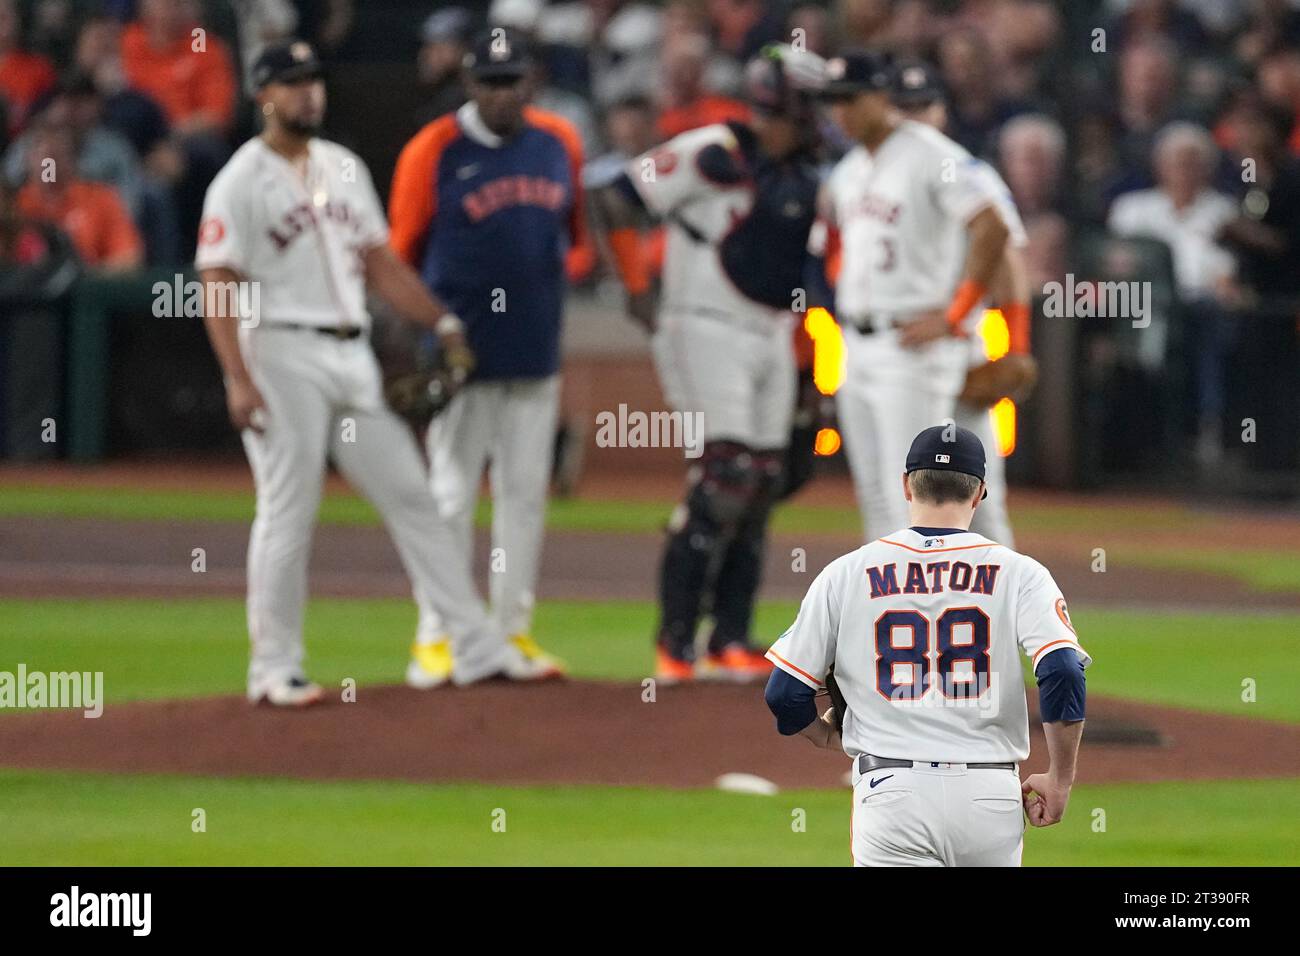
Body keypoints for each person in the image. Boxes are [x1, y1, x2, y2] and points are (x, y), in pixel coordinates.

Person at [197, 40, 555, 706]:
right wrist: (237, 378)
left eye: (313, 80)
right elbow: (216, 279)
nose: (308, 93)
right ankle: (274, 667)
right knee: (287, 510)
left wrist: (442, 323)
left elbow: (380, 263)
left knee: (415, 499)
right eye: (292, 82)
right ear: (263, 96)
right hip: (280, 351)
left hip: (349, 355)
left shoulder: (342, 167)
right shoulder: (240, 180)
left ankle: (474, 647)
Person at [595, 44, 825, 683]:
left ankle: (729, 636)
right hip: (703, 322)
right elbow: (616, 198)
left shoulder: (811, 174)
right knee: (724, 477)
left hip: (772, 330)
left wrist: (810, 370)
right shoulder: (714, 151)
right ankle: (675, 641)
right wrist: (637, 285)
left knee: (762, 484)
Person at [763, 424, 1090, 867]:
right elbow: (1064, 672)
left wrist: (825, 737)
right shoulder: (1021, 573)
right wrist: (1061, 778)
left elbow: (784, 693)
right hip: (989, 799)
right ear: (979, 493)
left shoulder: (845, 573)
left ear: (906, 485)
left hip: (892, 794)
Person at [388, 30, 585, 687]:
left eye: (513, 80)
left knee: (524, 496)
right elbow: (400, 250)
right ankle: (436, 636)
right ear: (468, 84)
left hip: (535, 346)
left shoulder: (559, 141)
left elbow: (576, 237)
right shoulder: (433, 149)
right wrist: (428, 331)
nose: (503, 93)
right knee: (448, 497)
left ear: (529, 81)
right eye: (490, 82)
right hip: (461, 353)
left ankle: (509, 631)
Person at [815, 50, 1012, 544]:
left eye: (851, 100)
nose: (841, 113)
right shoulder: (849, 169)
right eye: (833, 102)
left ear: (882, 98)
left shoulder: (930, 154)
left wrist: (955, 315)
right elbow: (833, 246)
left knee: (920, 500)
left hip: (914, 347)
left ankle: (978, 615)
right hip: (857, 344)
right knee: (880, 502)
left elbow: (992, 224)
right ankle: (893, 617)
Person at [889, 58, 1034, 545]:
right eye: (902, 108)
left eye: (922, 107)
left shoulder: (959, 169)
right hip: (892, 347)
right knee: (901, 501)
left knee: (976, 498)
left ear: (941, 113)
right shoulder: (875, 172)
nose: (913, 118)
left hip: (953, 345)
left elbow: (1006, 260)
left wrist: (1015, 345)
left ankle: (1004, 612)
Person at [16, 120, 143, 273]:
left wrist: (82, 279)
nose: (48, 166)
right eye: (42, 156)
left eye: (55, 156)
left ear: (73, 160)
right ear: (27, 159)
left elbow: (128, 258)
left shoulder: (101, 199)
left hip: (86, 288)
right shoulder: (14, 203)